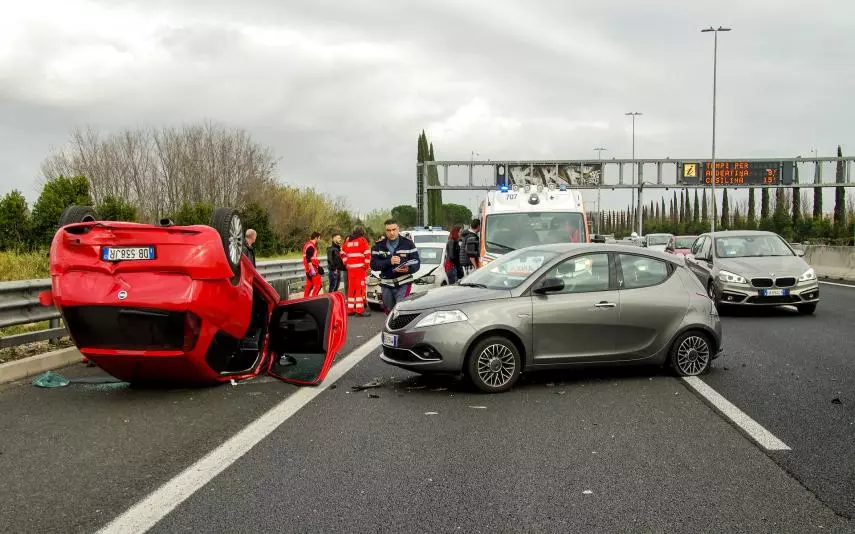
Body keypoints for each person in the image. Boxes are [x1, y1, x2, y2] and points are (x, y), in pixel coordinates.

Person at [371, 218, 420, 314]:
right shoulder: (378, 246)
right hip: (386, 283)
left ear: (398, 229)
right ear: (385, 231)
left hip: (404, 283)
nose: (391, 233)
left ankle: (402, 329)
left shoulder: (408, 244)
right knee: (390, 312)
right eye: (388, 230)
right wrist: (389, 261)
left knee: (401, 309)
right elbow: (373, 265)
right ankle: (391, 328)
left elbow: (417, 263)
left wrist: (408, 269)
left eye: (394, 230)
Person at [342, 226, 372, 316]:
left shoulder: (348, 241)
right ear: (362, 232)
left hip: (351, 269)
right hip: (360, 269)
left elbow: (342, 253)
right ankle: (359, 310)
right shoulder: (362, 240)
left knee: (351, 289)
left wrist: (346, 263)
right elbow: (367, 254)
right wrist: (366, 266)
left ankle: (350, 310)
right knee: (359, 289)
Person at [302, 232, 324, 298]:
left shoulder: (307, 244)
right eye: (319, 238)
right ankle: (314, 299)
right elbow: (308, 258)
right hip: (312, 268)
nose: (319, 240)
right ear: (316, 238)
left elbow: (309, 258)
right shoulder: (311, 246)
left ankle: (305, 299)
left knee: (309, 284)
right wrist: (312, 269)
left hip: (308, 268)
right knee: (318, 284)